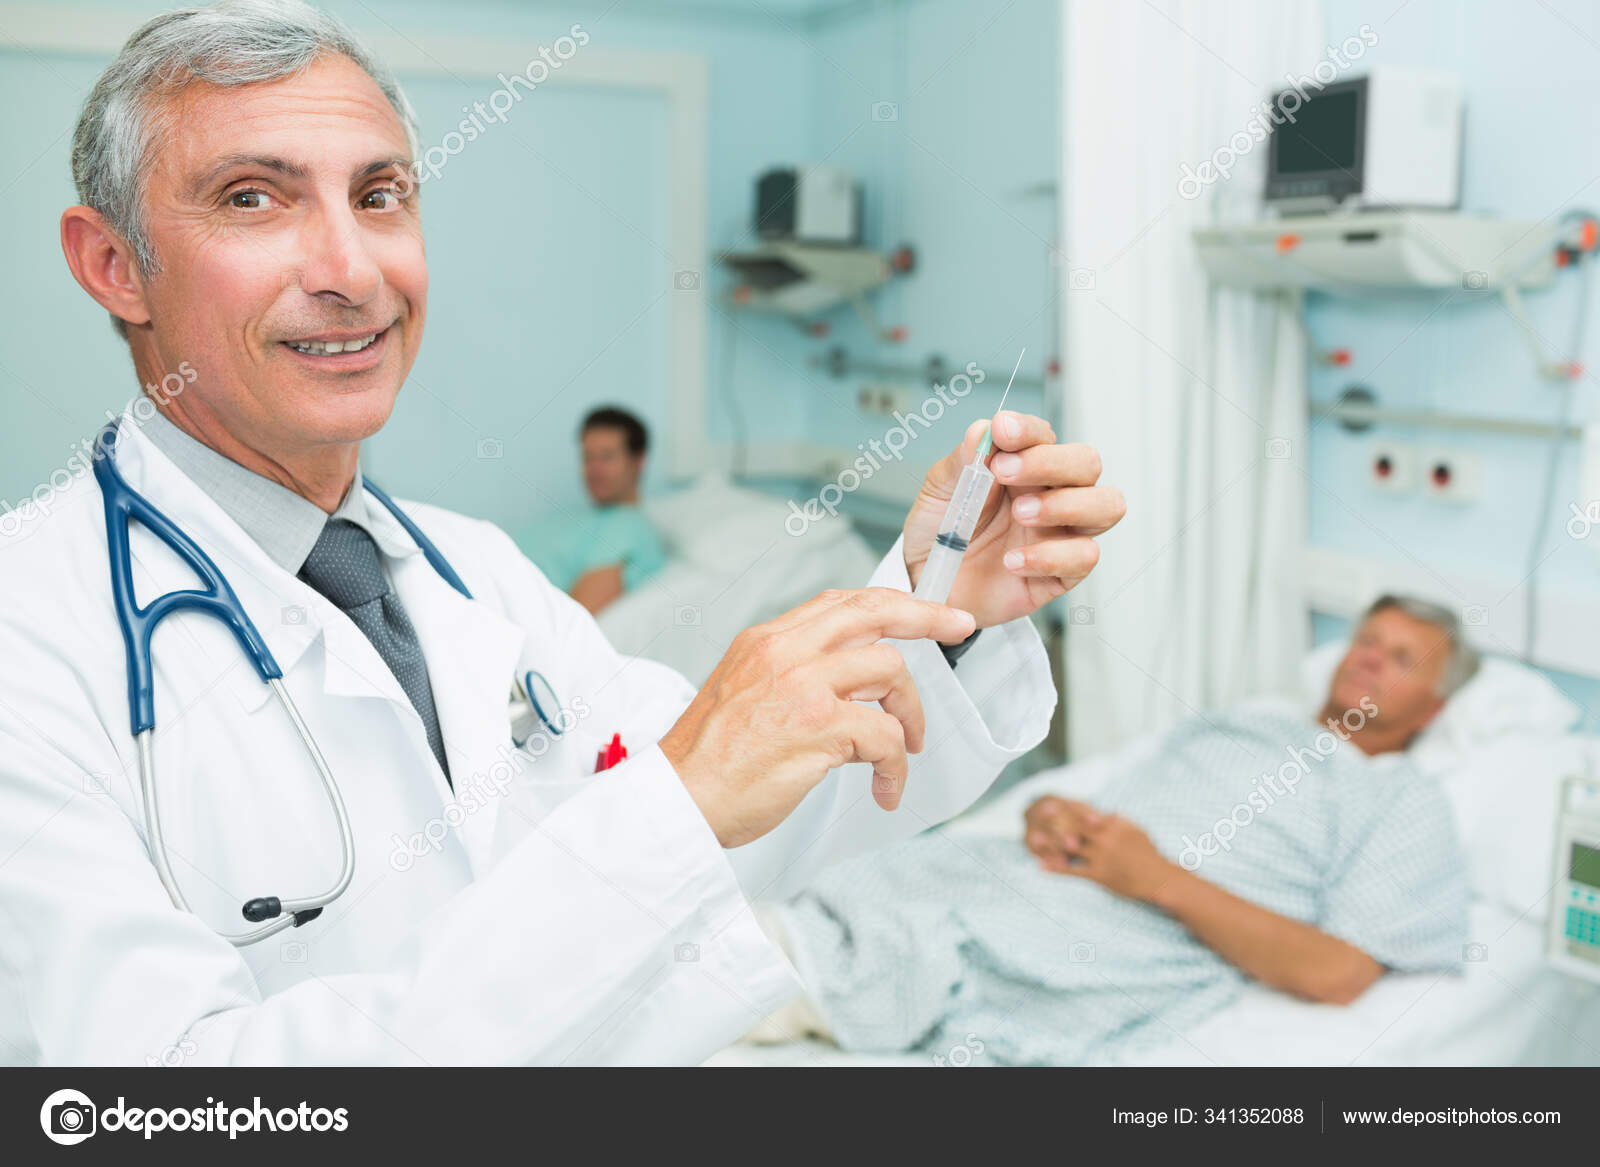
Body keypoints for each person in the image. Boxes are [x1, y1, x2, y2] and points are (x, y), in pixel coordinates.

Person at [0, 0, 1124, 1065]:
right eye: (253, 198)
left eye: (381, 195)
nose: (352, 271)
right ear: (113, 265)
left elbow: (754, 822)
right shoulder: (30, 634)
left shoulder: (474, 577)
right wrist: (667, 812)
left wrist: (949, 611)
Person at [754, 595, 1476, 1064]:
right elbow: (1108, 793)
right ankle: (758, 961)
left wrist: (1156, 878)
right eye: (1367, 637)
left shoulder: (1400, 799)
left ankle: (758, 983)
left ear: (1433, 711)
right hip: (1052, 866)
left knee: (942, 940)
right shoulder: (1247, 723)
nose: (1370, 656)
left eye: (1402, 657)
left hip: (1145, 923)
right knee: (871, 883)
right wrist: (1049, 813)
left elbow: (1340, 972)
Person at [519, 406, 667, 616]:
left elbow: (575, 619)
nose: (594, 469)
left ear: (638, 461)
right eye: (588, 457)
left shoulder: (627, 525)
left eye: (607, 457)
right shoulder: (571, 518)